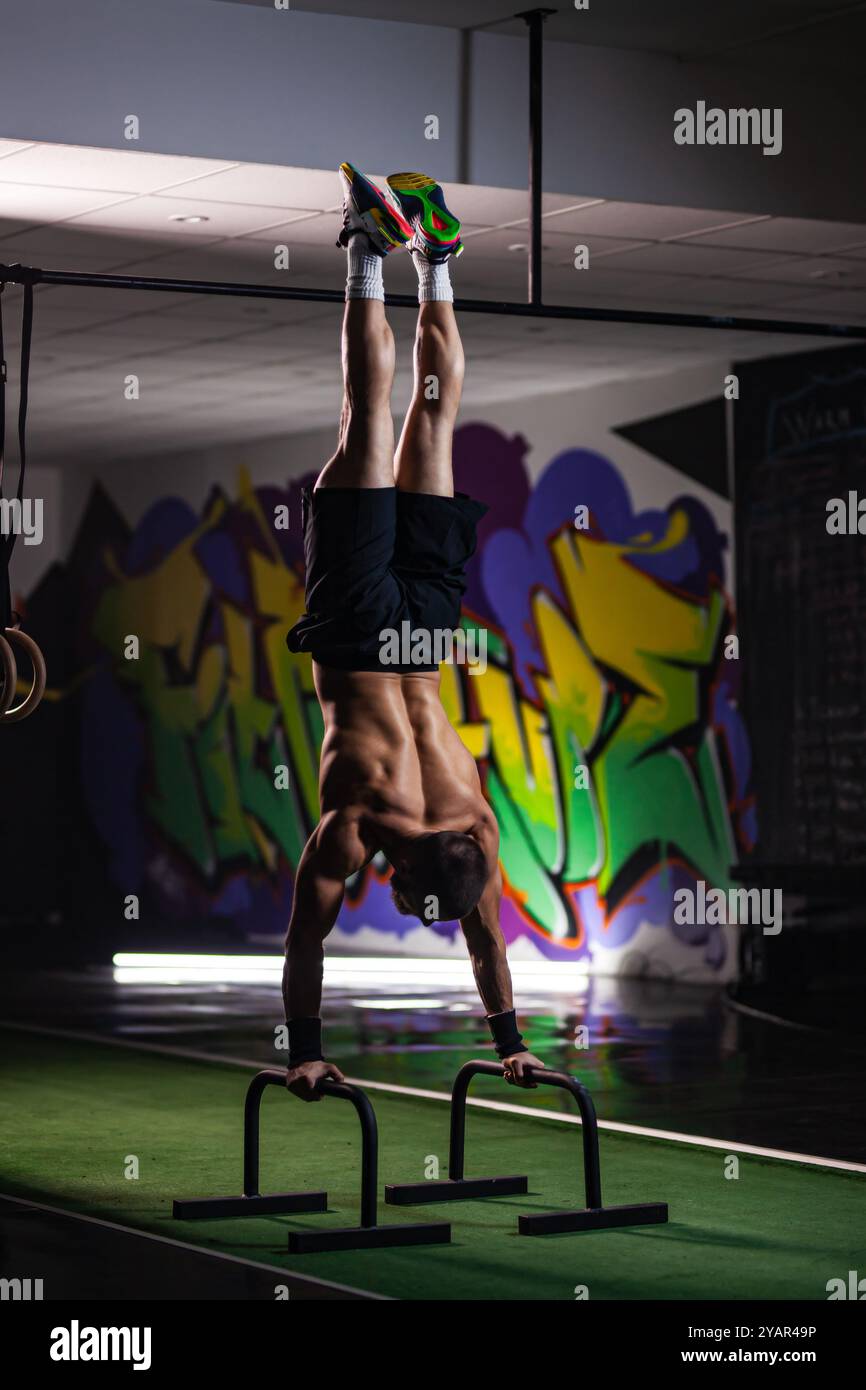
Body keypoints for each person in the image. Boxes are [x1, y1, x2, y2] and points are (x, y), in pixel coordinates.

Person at [283, 163, 545, 1099]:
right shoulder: (361, 825)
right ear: (396, 873)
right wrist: (302, 1050)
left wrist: (513, 1038)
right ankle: (365, 245)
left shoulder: (475, 830)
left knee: (435, 416)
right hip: (358, 634)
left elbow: (486, 932)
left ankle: (436, 258)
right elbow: (305, 937)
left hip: (427, 639)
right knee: (368, 416)